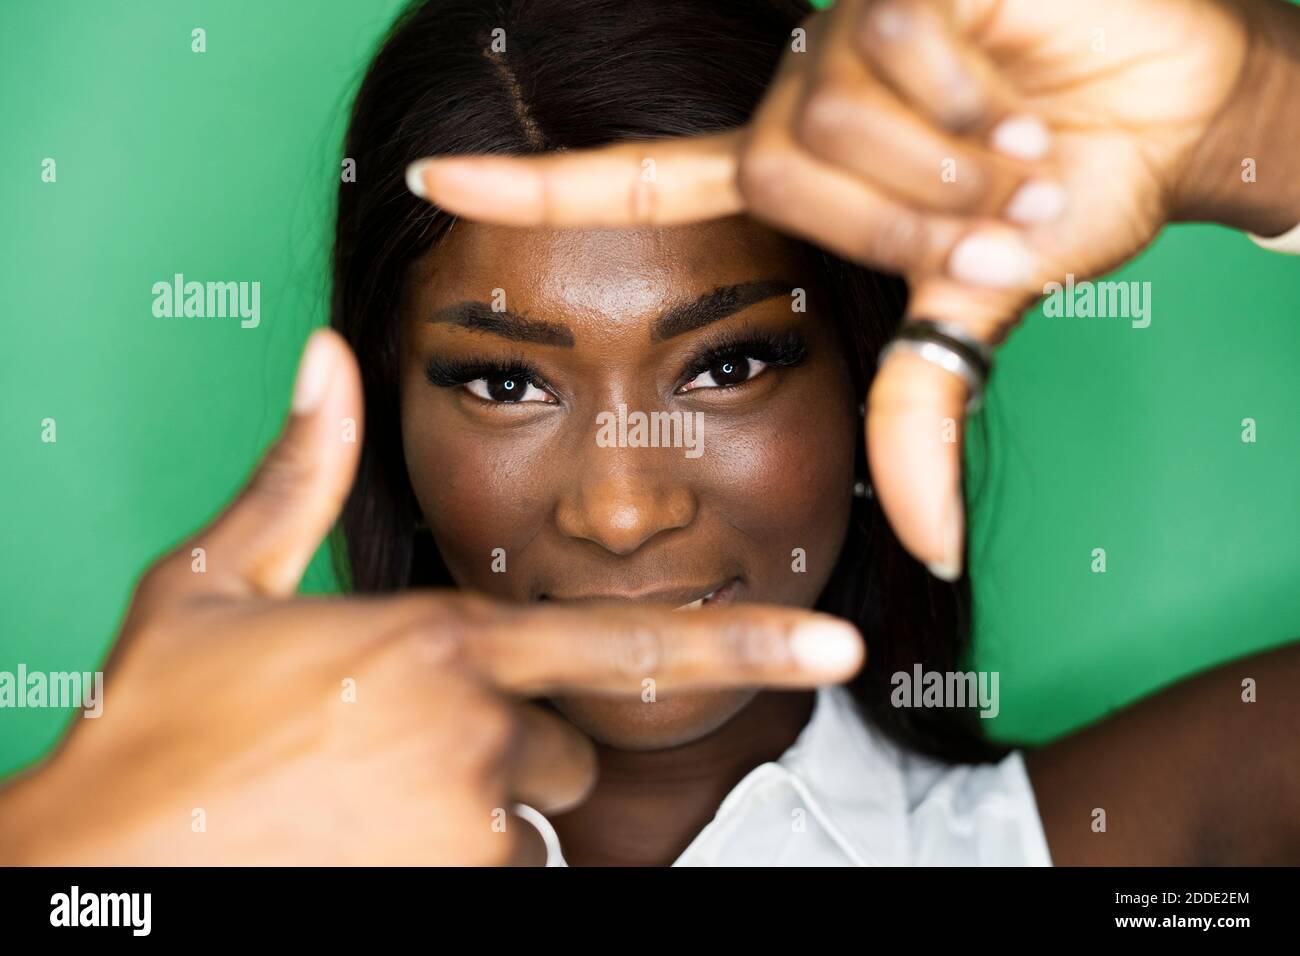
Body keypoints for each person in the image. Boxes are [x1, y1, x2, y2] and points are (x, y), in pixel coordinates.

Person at [2, 0, 1298, 866]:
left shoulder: (1160, 838)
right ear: (384, 408)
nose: (621, 510)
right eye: (505, 385)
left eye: (729, 363)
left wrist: (1258, 121)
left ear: (869, 372)